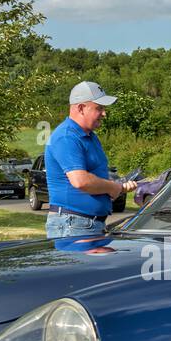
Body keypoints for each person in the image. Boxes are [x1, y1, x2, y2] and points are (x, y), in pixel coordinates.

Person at [44, 81, 137, 239]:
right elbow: (81, 181)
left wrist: (119, 186)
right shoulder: (66, 137)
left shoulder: (90, 136)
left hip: (86, 224)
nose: (104, 113)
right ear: (80, 108)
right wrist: (112, 187)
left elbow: (94, 176)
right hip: (72, 224)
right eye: (99, 108)